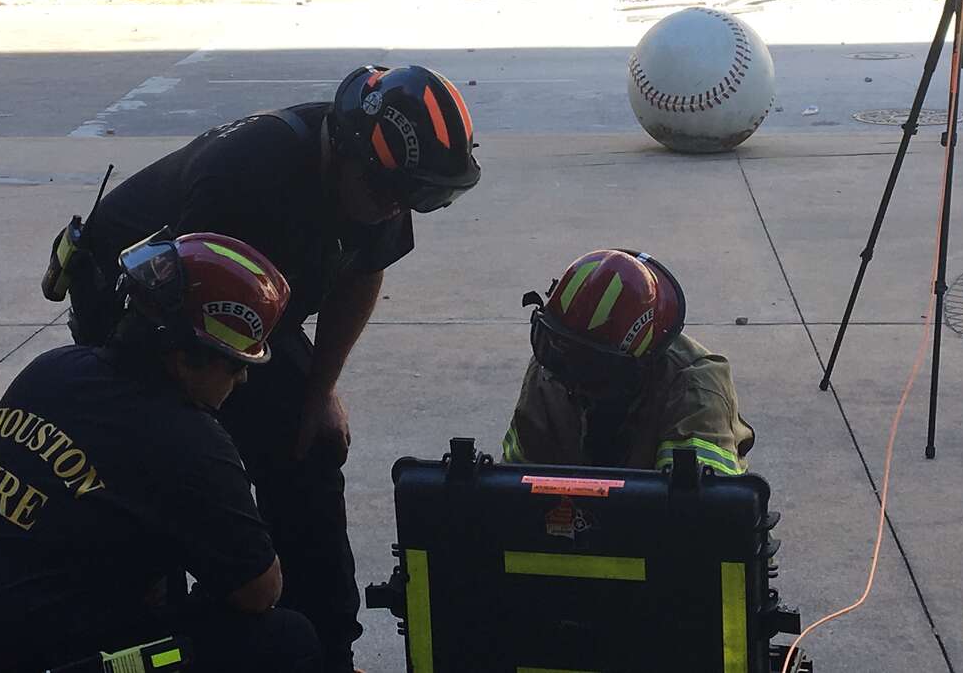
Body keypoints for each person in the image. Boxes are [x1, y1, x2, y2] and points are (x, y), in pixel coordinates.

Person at [45, 64, 481, 672]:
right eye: (390, 196)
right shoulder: (247, 178)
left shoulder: (382, 182)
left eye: (420, 200)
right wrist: (206, 458)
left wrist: (318, 394)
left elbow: (362, 271)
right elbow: (184, 353)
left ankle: (327, 647)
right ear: (344, 154)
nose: (395, 211)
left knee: (312, 447)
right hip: (144, 312)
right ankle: (176, 626)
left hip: (239, 305)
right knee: (172, 469)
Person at [0, 230, 321, 673]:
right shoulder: (189, 443)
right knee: (287, 640)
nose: (242, 380)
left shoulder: (52, 369)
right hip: (47, 659)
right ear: (185, 356)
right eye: (234, 364)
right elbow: (259, 590)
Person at [502, 249, 755, 474]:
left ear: (643, 361)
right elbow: (514, 482)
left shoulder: (697, 388)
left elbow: (704, 510)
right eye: (561, 349)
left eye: (590, 365)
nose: (572, 378)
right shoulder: (551, 365)